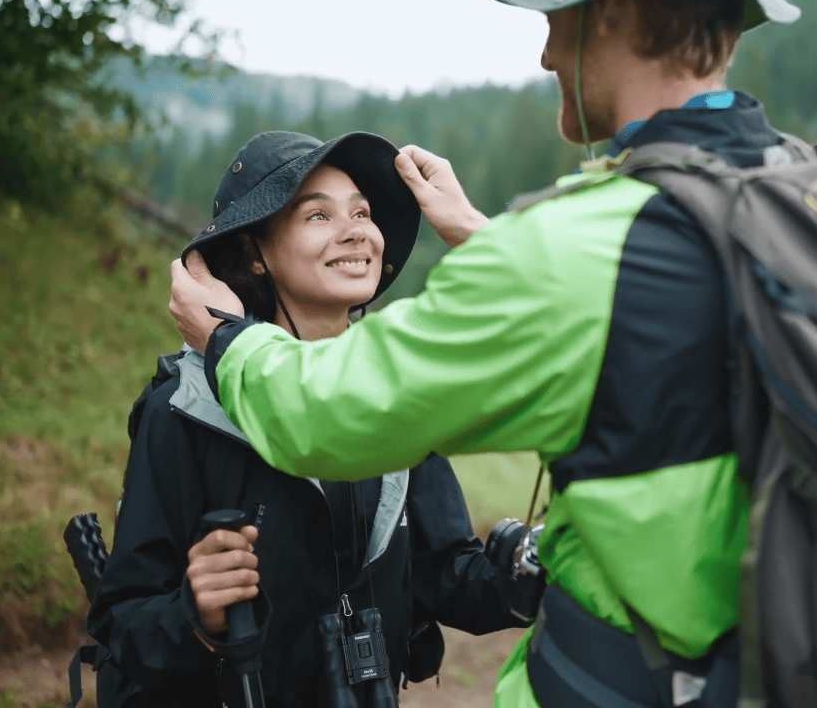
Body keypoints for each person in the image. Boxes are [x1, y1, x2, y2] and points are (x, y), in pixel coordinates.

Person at [167, 0, 804, 706]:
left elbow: (325, 414)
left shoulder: (567, 248)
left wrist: (225, 337)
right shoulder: (802, 197)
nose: (545, 52)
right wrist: (491, 240)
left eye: (556, 16)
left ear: (616, 10)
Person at [90, 130, 528, 708]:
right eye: (317, 215)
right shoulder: (189, 406)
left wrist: (536, 570)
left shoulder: (392, 389)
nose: (357, 231)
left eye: (363, 213)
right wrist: (196, 616)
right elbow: (124, 625)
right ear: (253, 253)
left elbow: (446, 574)